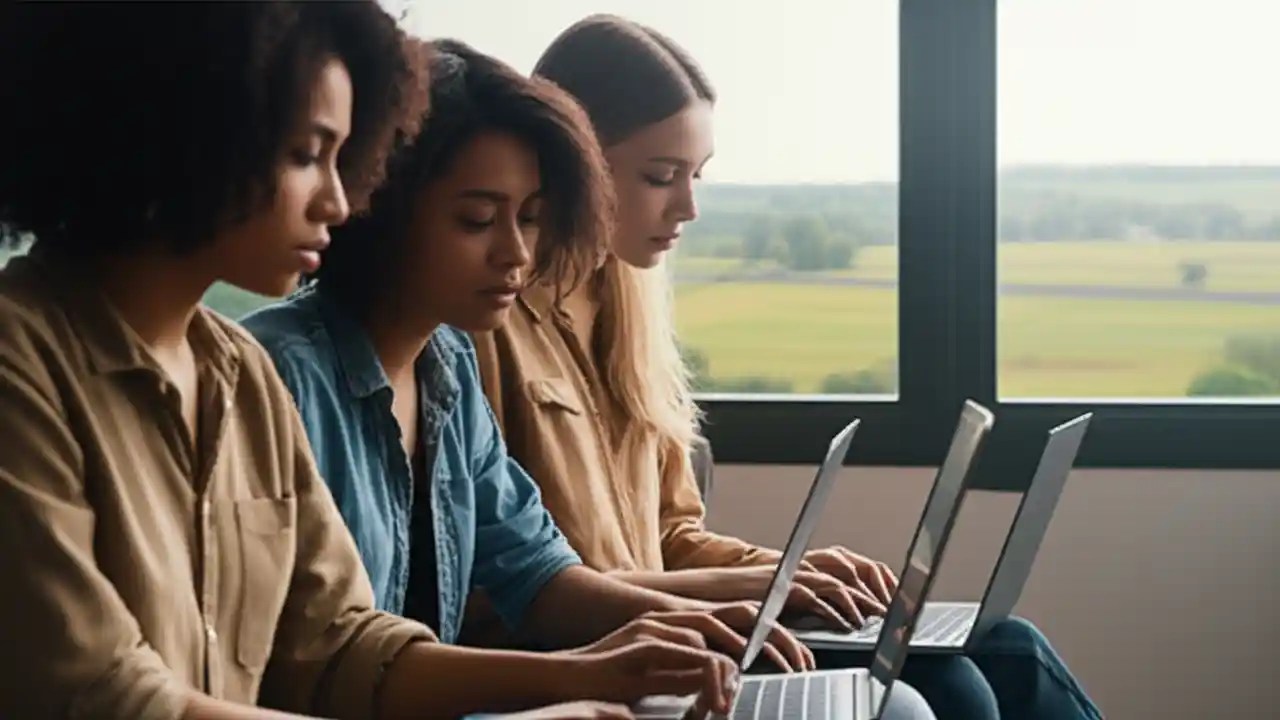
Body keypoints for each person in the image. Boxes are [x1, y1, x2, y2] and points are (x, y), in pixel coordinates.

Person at [0, 5, 735, 719]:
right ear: (182, 130)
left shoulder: (236, 372)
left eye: (343, 157)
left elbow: (342, 644)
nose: (343, 198)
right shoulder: (25, 363)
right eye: (305, 155)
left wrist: (589, 675)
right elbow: (109, 699)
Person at [470, 13, 1104, 720]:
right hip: (616, 648)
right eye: (660, 176)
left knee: (1008, 646)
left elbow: (672, 536)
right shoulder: (486, 329)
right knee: (957, 689)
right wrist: (766, 586)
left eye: (697, 175)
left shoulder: (624, 308)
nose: (689, 207)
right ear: (574, 163)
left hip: (682, 625)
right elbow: (531, 587)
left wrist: (783, 574)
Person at [241, 36, 820, 709]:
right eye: (478, 220)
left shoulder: (446, 365)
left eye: (533, 219)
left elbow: (539, 573)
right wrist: (582, 675)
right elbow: (321, 660)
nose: (516, 253)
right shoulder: (283, 378)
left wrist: (677, 628)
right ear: (381, 209)